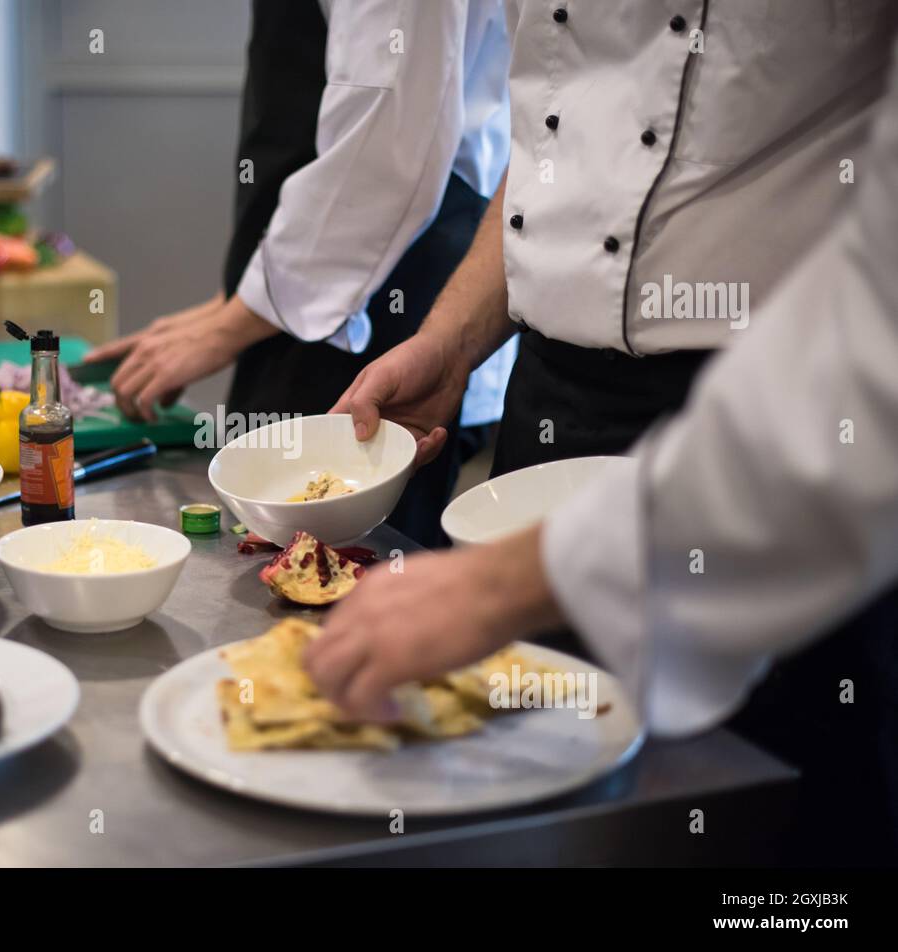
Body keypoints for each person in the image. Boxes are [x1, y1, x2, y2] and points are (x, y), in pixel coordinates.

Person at [313, 4, 898, 866]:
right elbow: (562, 150)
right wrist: (452, 340)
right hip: (552, 405)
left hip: (786, 433)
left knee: (779, 853)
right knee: (551, 822)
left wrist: (508, 582)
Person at [85, 0, 514, 546]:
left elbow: (383, 149)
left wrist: (232, 323)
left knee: (338, 585)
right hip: (312, 291)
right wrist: (232, 302)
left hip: (377, 307)